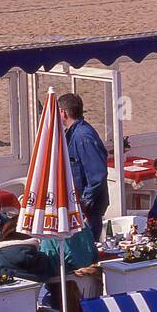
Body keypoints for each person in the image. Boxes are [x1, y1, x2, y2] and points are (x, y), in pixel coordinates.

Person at [58, 93, 109, 240]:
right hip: (80, 206)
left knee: (86, 250)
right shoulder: (73, 133)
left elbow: (97, 175)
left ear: (64, 112)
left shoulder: (83, 136)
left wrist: (85, 203)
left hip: (87, 210)